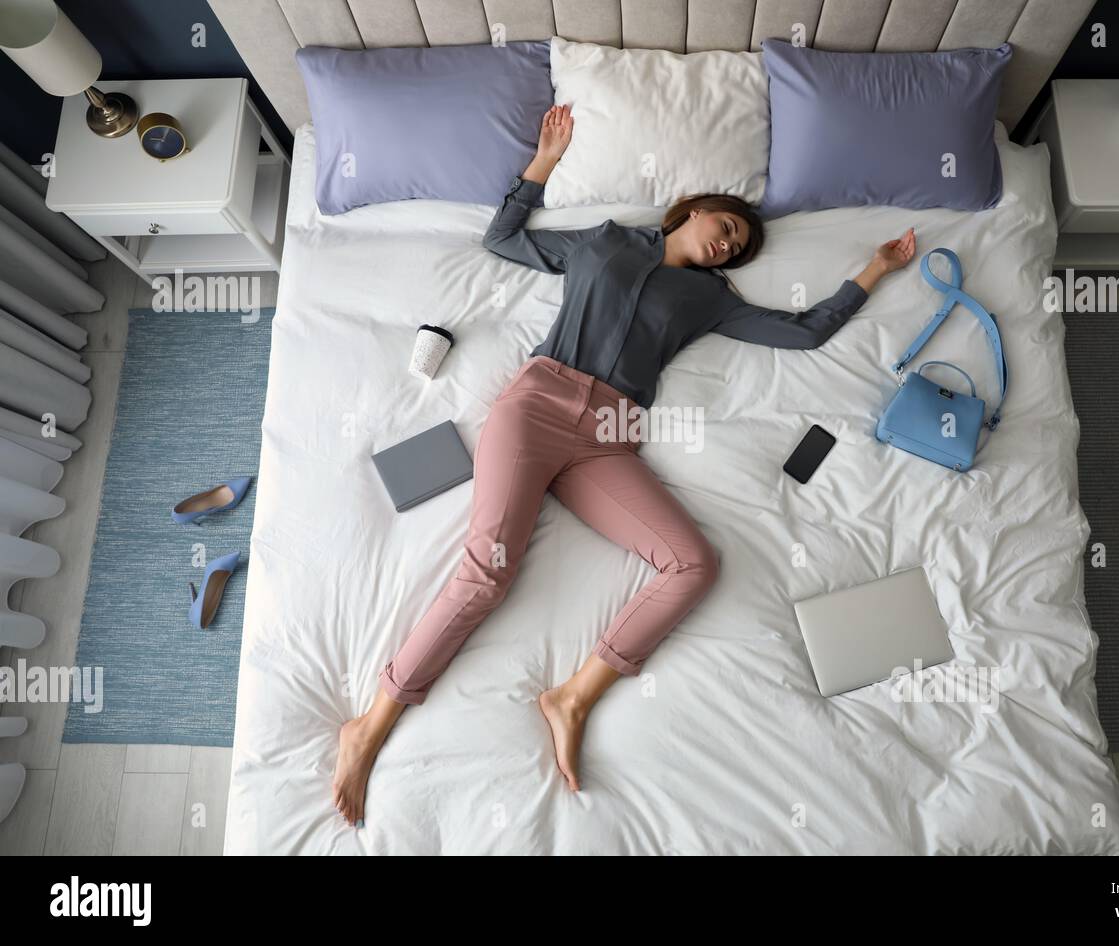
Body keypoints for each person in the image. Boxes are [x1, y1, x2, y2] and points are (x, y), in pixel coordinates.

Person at [333, 103, 917, 826]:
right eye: (726, 229)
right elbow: (503, 239)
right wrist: (545, 161)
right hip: (538, 404)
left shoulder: (710, 299)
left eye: (735, 250)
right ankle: (372, 724)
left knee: (693, 564)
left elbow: (802, 334)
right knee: (487, 571)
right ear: (697, 209)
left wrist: (875, 270)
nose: (725, 248)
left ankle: (573, 696)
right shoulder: (604, 242)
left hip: (608, 436)